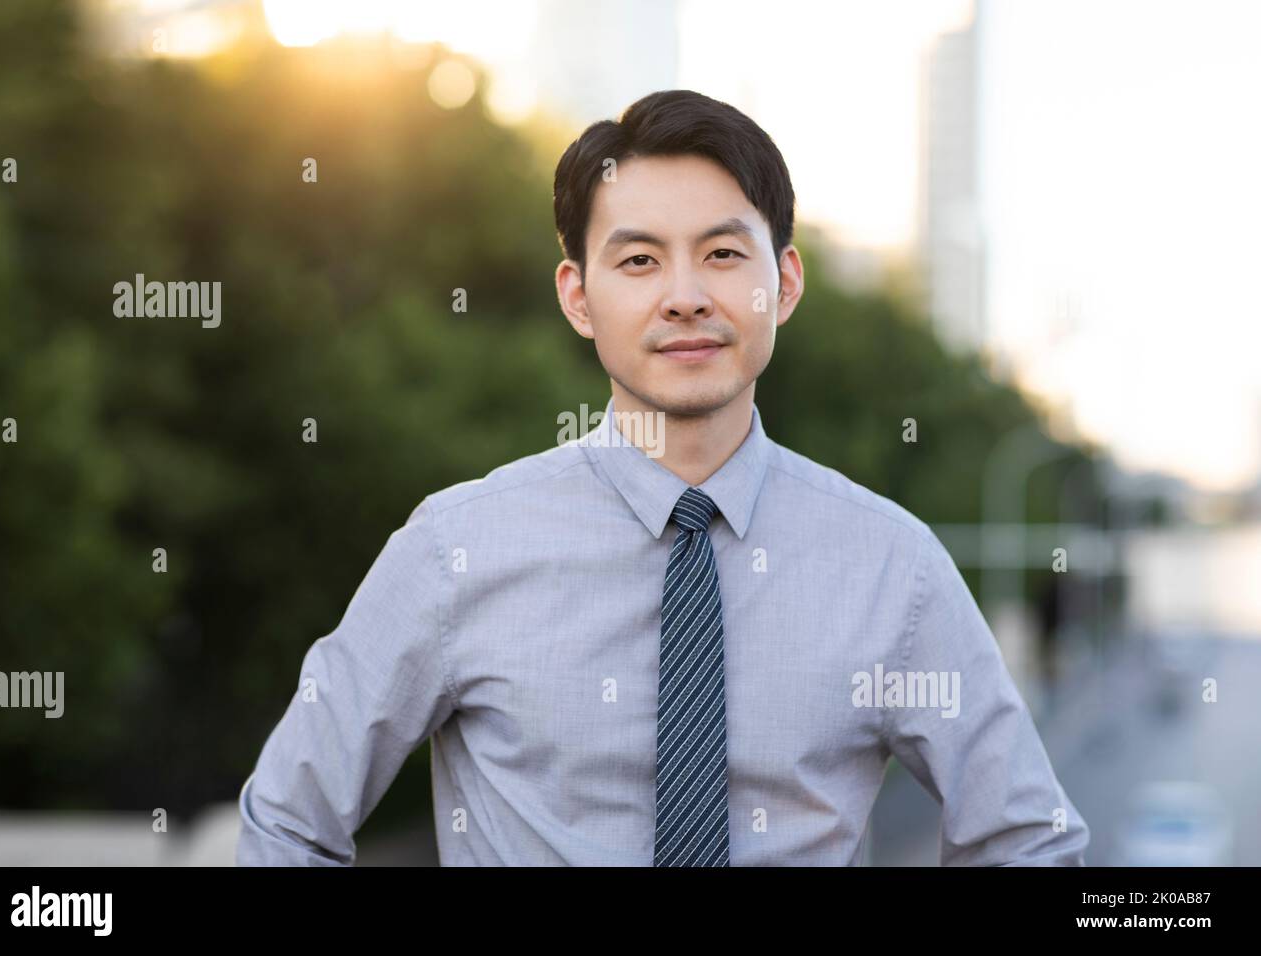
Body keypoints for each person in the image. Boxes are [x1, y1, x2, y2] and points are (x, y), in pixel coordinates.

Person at [236, 89, 1089, 866]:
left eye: (722, 253)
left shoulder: (891, 567)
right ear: (578, 297)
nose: (684, 297)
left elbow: (1026, 842)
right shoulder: (454, 549)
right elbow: (288, 822)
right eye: (639, 261)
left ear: (783, 284)